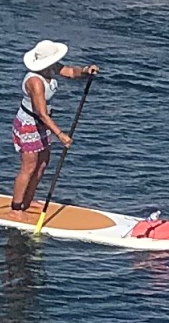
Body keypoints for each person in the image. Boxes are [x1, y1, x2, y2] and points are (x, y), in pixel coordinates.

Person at [10, 40, 101, 211]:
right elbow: (41, 113)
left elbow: (70, 72)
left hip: (43, 124)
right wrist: (60, 135)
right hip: (29, 124)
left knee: (43, 164)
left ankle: (28, 200)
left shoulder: (51, 68)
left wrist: (85, 70)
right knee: (29, 166)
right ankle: (16, 207)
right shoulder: (35, 82)